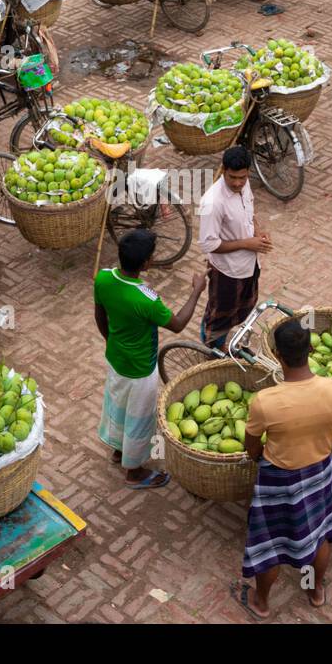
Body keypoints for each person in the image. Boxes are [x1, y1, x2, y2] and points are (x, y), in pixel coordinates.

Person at [235, 317, 332, 620]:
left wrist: (260, 456)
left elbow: (251, 446)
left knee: (270, 545)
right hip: (320, 472)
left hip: (278, 479)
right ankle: (315, 592)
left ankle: (261, 603)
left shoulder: (265, 401)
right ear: (311, 349)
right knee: (320, 535)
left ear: (277, 355)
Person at [94, 230, 206, 490]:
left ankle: (119, 450)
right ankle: (134, 472)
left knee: (119, 405)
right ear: (146, 263)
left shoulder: (103, 278)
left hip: (116, 359)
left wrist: (109, 340)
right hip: (141, 369)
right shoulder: (147, 299)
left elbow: (99, 314)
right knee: (140, 418)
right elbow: (177, 324)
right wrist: (197, 291)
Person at [197, 145, 269, 348]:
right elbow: (209, 244)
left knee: (243, 305)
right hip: (228, 271)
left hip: (249, 265)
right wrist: (247, 243)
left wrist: (258, 231)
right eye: (232, 178)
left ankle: (223, 339)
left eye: (242, 178)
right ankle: (214, 347)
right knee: (220, 314)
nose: (237, 183)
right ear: (223, 170)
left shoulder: (243, 186)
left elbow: (249, 211)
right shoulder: (212, 203)